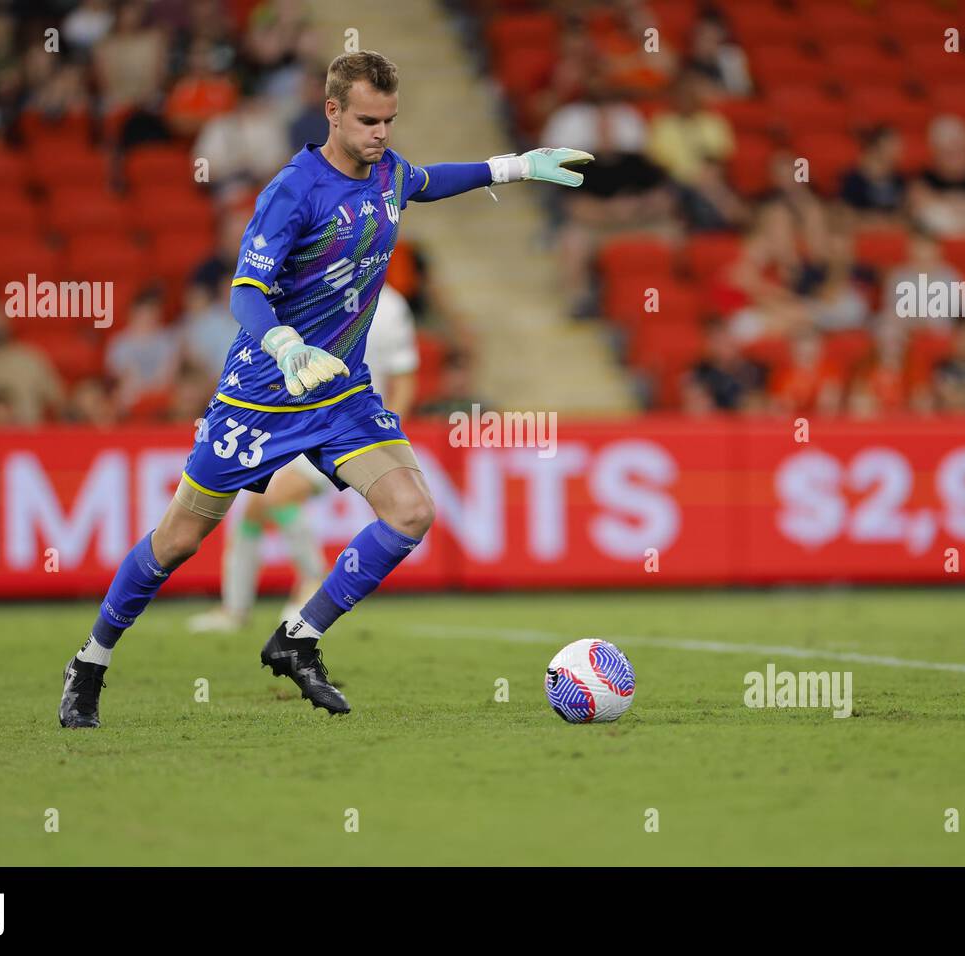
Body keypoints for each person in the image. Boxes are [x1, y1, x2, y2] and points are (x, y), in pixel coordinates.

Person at [59, 50, 594, 727]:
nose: (381, 134)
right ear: (332, 111)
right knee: (177, 541)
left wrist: (514, 166)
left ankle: (297, 638)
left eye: (390, 121)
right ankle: (91, 661)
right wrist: (283, 344)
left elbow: (427, 180)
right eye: (368, 120)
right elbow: (247, 290)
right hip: (262, 394)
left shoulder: (389, 173)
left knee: (410, 513)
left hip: (340, 393)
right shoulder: (294, 189)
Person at [187, 285, 419, 632]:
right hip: (301, 418)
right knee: (253, 510)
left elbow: (404, 378)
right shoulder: (320, 283)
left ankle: (312, 586)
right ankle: (234, 610)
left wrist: (385, 437)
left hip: (350, 427)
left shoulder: (390, 305)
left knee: (280, 496)